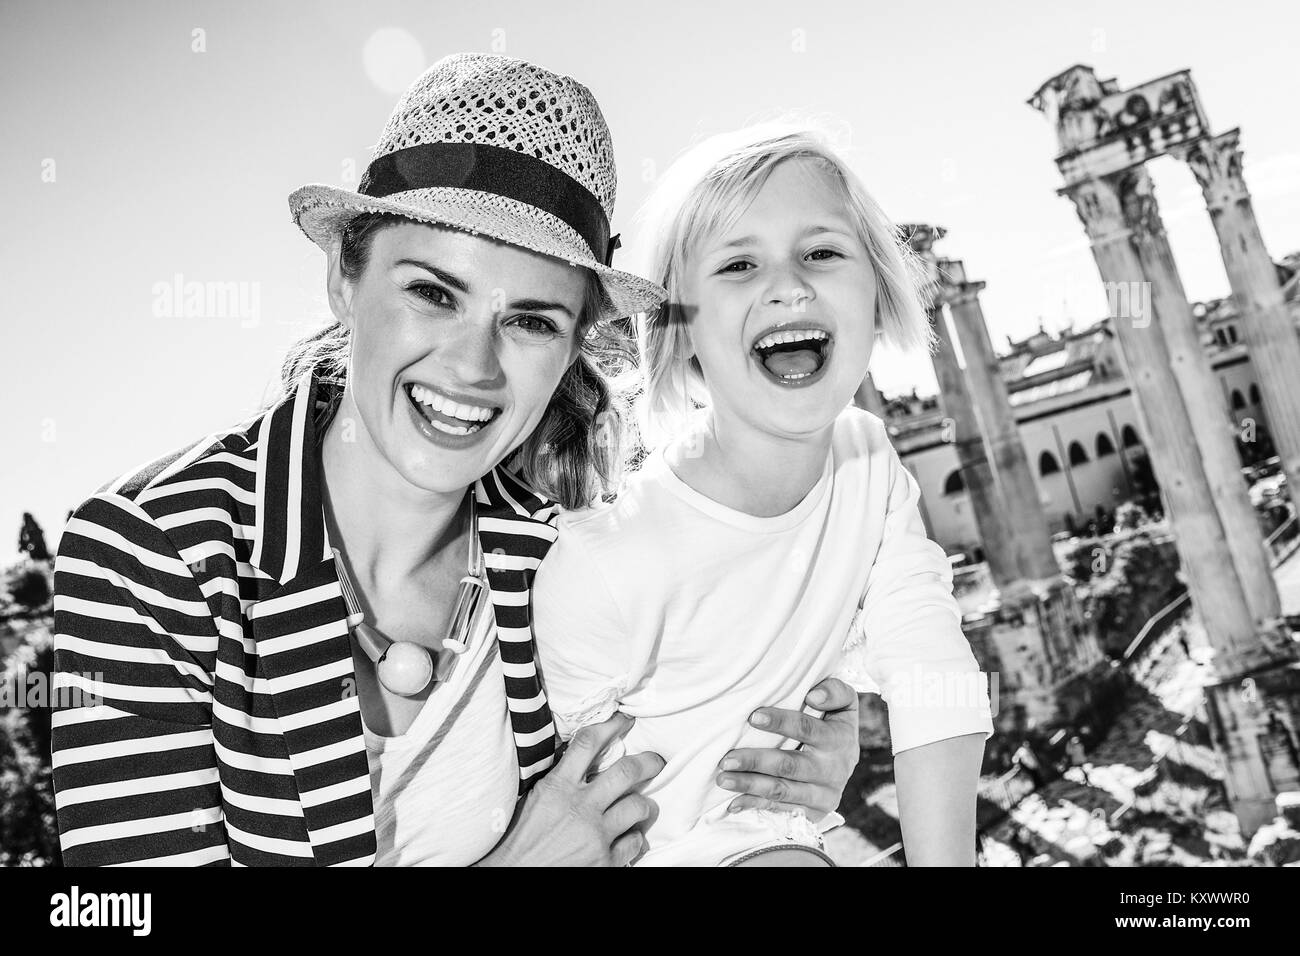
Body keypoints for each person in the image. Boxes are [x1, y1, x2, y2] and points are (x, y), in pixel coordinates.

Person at [48, 54, 860, 867]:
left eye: (533, 322)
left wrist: (787, 776)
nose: (474, 367)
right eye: (434, 294)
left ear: (573, 349)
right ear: (344, 276)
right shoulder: (151, 554)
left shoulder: (558, 558)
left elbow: (680, 801)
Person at [532, 124, 994, 867]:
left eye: (821, 252)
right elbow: (541, 786)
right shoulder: (608, 559)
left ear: (879, 292)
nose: (788, 284)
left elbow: (932, 674)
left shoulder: (867, 459)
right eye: (739, 264)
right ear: (677, 332)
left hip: (774, 838)